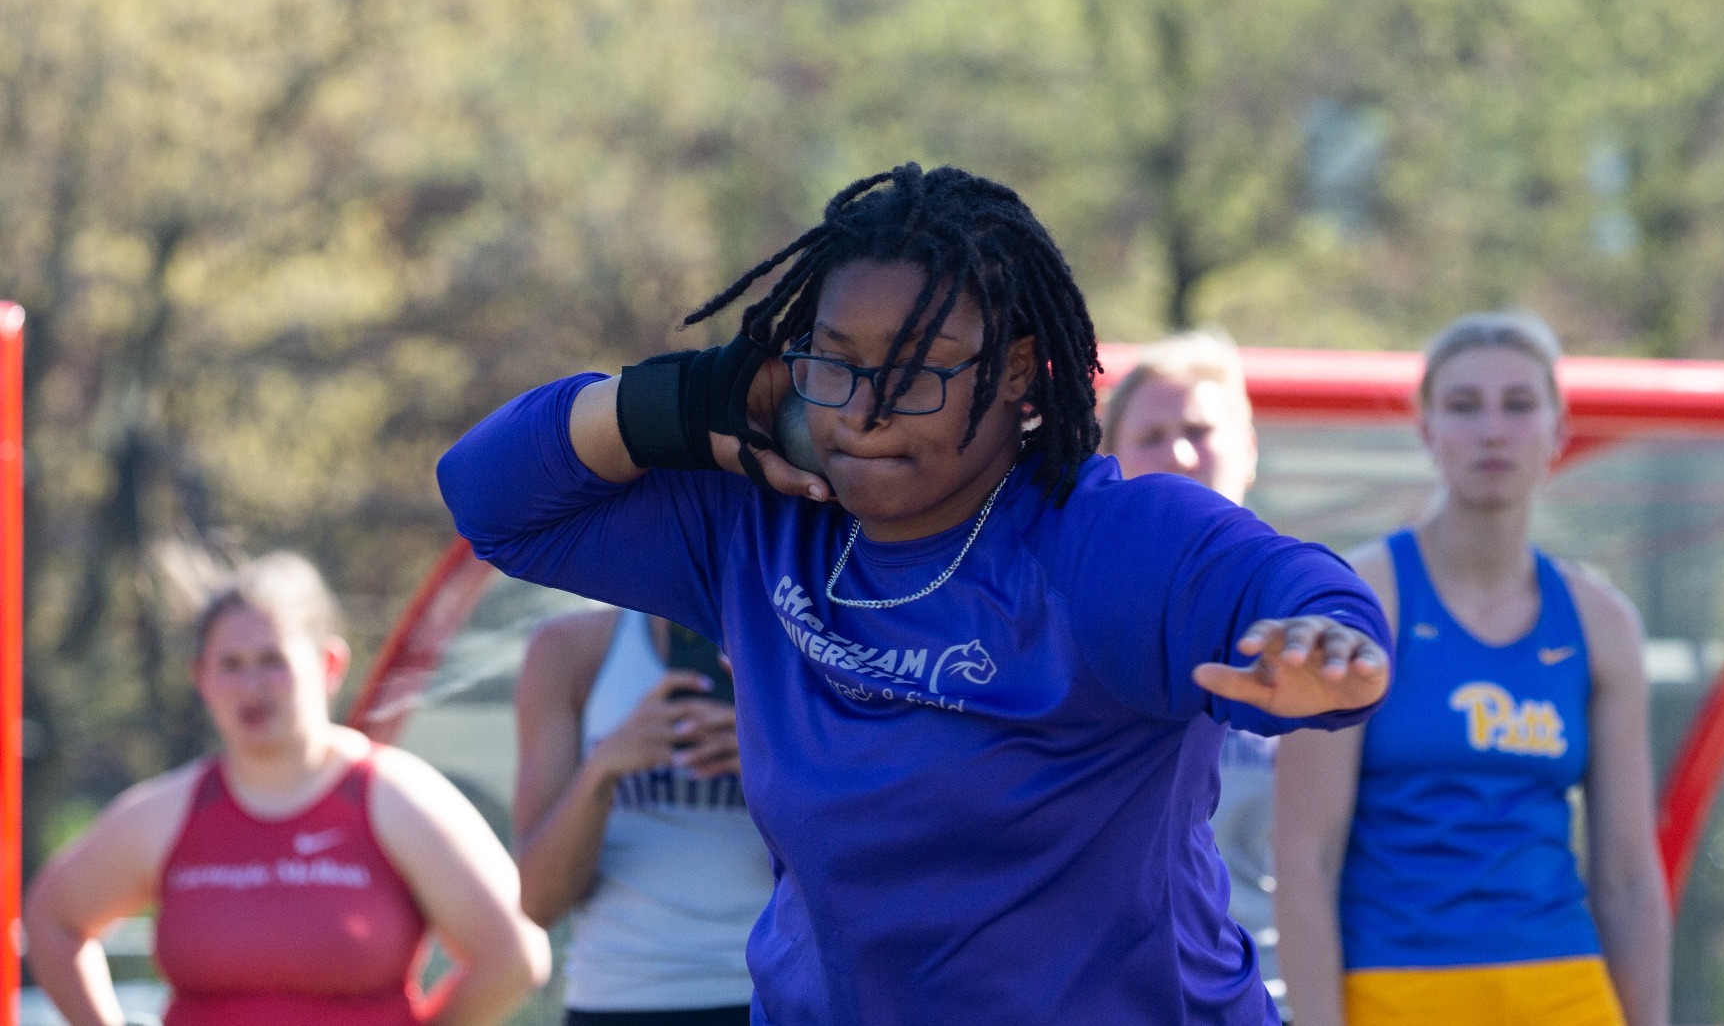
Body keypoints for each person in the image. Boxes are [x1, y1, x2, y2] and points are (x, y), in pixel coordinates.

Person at [437, 163, 1393, 1026]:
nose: (862, 409)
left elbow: (1290, 580)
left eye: (913, 374)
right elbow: (492, 498)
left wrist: (1326, 639)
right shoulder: (762, 523)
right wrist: (688, 399)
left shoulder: (1101, 540)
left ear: (1017, 371)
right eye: (833, 364)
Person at [1271, 312, 1671, 1026]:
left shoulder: (1602, 623)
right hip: (1395, 989)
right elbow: (1304, 858)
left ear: (1558, 428)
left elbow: (1630, 876)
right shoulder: (1360, 602)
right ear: (1426, 428)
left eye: (1519, 404)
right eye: (1463, 405)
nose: (1492, 429)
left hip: (1564, 990)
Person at [25, 551, 551, 1026]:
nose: (252, 688)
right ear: (200, 676)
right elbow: (52, 921)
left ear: (329, 665)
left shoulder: (396, 797)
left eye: (273, 661)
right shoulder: (168, 812)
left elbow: (514, 958)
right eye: (231, 665)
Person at [1099, 333, 1277, 966]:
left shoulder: (1313, 623)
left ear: (1248, 449)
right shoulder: (1053, 622)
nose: (1177, 453)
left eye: (1200, 430)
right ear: (1108, 464)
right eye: (1150, 436)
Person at [514, 605, 771, 1026]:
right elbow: (539, 903)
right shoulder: (570, 649)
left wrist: (772, 760)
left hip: (774, 995)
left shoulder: (821, 643)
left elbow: (869, 866)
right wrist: (603, 767)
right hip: (618, 997)